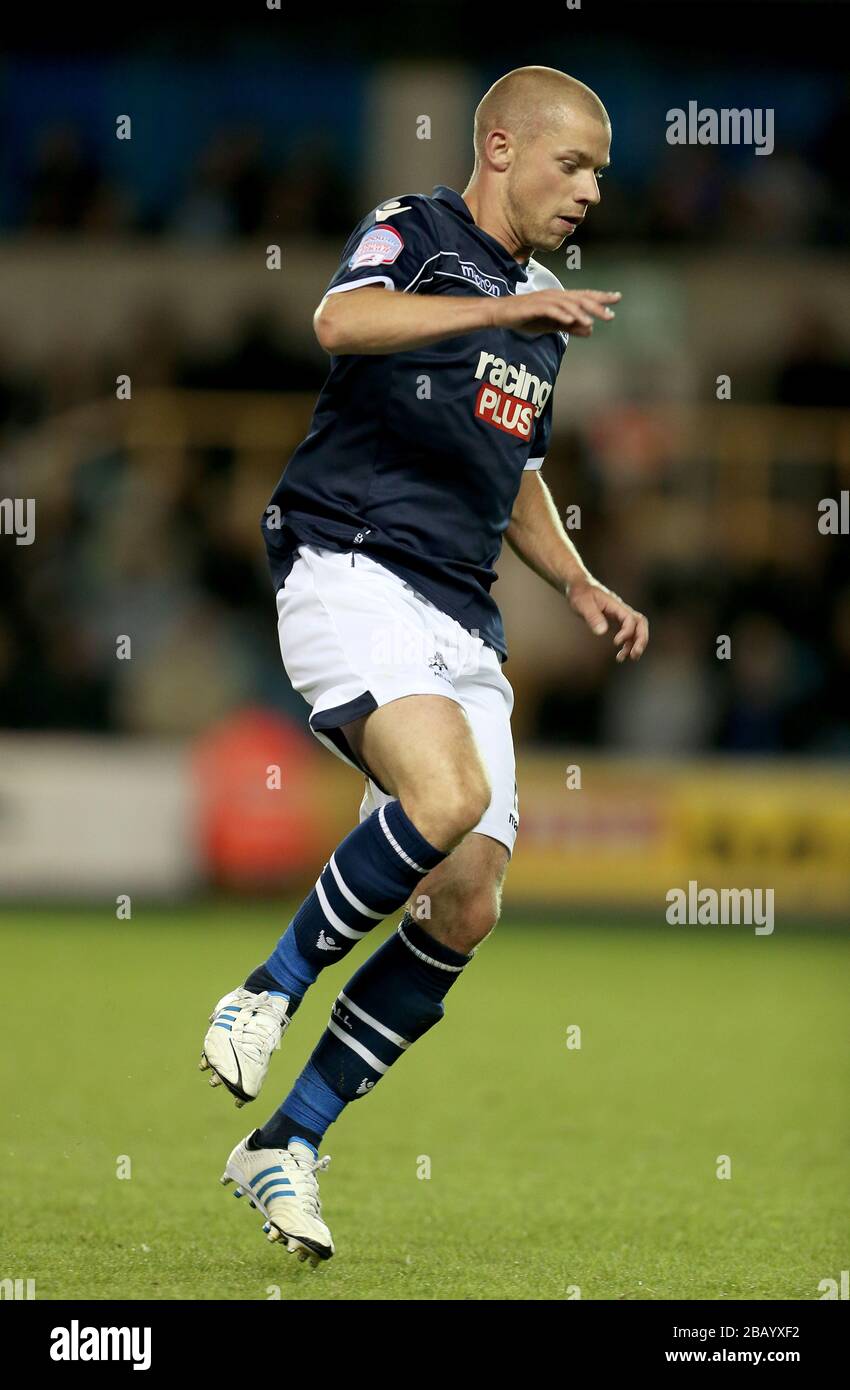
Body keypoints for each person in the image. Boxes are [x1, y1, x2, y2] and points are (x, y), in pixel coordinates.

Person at [199, 64, 649, 1266]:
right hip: (347, 562)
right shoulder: (422, 234)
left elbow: (518, 473)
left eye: (599, 172)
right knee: (440, 800)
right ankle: (269, 987)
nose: (591, 190)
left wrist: (577, 579)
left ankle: (284, 1143)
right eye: (575, 165)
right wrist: (501, 312)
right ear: (501, 147)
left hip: (459, 608)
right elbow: (340, 323)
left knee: (468, 898)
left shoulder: (539, 305)